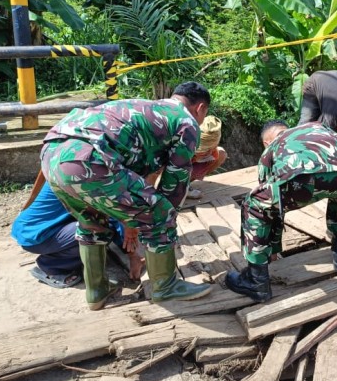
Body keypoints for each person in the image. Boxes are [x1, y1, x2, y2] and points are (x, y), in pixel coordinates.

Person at [40, 81, 214, 310]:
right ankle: (165, 286)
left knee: (91, 221)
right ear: (200, 108)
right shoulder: (186, 121)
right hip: (91, 158)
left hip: (52, 154)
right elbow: (175, 183)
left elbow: (135, 172)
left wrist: (133, 219)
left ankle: (97, 291)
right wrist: (162, 218)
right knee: (161, 212)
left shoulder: (144, 108)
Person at [225, 120, 337, 302]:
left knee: (253, 205)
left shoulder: (271, 148)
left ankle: (256, 282)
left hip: (301, 180)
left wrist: (272, 248)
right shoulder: (317, 126)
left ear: (266, 142)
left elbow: (272, 210)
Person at [11, 180, 138, 288]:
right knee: (99, 232)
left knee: (98, 228)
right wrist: (132, 254)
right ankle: (51, 267)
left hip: (33, 229)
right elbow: (112, 214)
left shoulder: (62, 165)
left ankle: (60, 256)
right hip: (36, 234)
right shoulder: (85, 178)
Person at [185, 114, 228, 199]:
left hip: (193, 165)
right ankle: (179, 187)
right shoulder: (186, 141)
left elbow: (216, 153)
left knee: (221, 154)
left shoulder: (212, 141)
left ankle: (187, 184)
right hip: (176, 171)